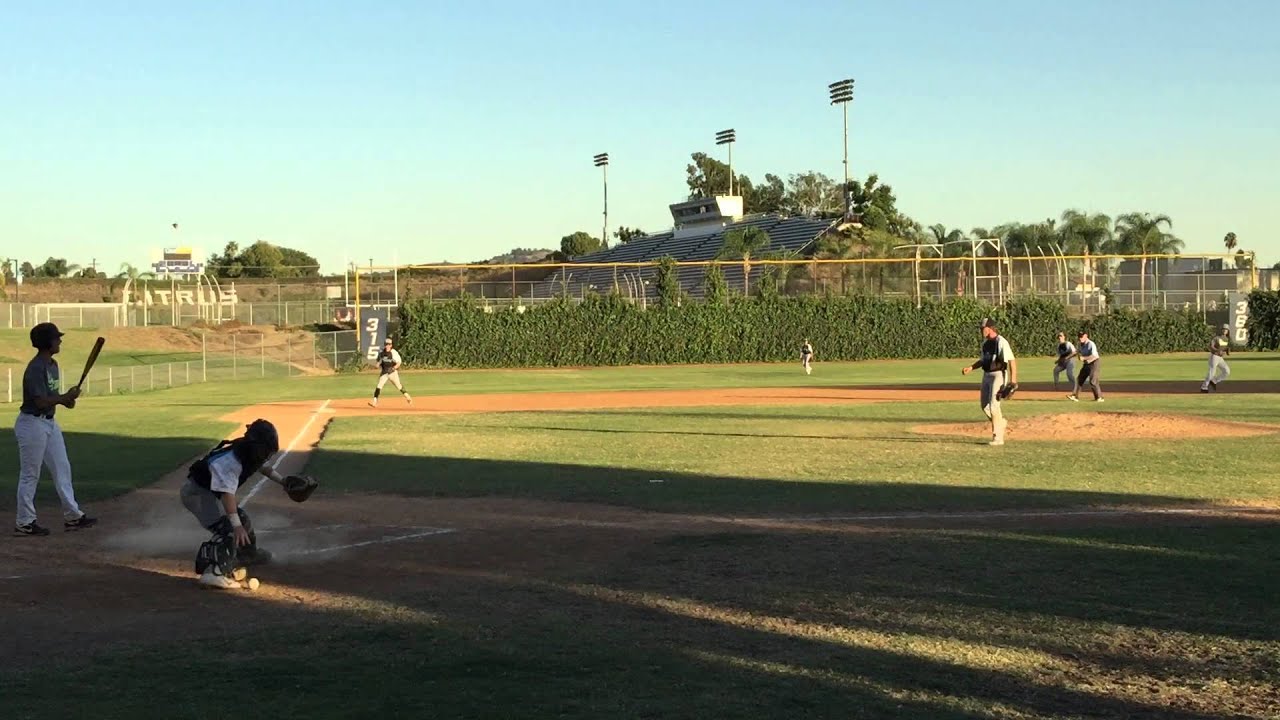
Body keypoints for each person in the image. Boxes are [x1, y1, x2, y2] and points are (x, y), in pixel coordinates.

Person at [14, 322, 97, 536]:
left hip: (49, 423)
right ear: (47, 342)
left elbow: (54, 399)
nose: (59, 341)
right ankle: (24, 522)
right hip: (32, 424)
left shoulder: (53, 365)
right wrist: (64, 397)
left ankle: (73, 516)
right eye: (56, 338)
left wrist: (68, 399)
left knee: (62, 468)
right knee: (30, 474)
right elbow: (40, 401)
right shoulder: (36, 368)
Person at [180, 418, 284, 589]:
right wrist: (236, 526)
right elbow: (227, 495)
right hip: (197, 495)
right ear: (255, 446)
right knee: (229, 526)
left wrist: (284, 482)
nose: (265, 454)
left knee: (242, 519)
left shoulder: (249, 451)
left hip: (209, 493)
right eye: (264, 449)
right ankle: (213, 573)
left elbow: (263, 467)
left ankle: (248, 555)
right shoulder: (230, 463)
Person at [961, 318, 1018, 446]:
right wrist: (971, 368)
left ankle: (998, 437)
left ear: (990, 328)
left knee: (994, 405)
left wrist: (1013, 381)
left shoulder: (1001, 342)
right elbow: (983, 361)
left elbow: (1012, 361)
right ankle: (1001, 423)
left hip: (998, 375)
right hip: (986, 375)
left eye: (983, 328)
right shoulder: (985, 343)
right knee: (985, 406)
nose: (981, 330)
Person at [370, 336, 412, 408]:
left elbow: (399, 362)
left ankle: (407, 397)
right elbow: (378, 363)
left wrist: (393, 368)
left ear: (391, 345)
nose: (387, 346)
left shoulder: (393, 353)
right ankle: (374, 401)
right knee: (379, 386)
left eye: (389, 344)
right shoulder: (381, 353)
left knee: (399, 386)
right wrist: (377, 365)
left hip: (392, 372)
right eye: (386, 344)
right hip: (384, 373)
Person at [1067, 330, 1103, 402]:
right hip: (1087, 364)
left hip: (1094, 363)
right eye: (1079, 337)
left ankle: (1099, 397)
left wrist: (1084, 358)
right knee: (1079, 379)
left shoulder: (1091, 344)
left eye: (1082, 336)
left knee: (1093, 381)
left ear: (1086, 336)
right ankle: (1075, 396)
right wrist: (1067, 357)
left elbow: (1094, 356)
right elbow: (1076, 352)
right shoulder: (1080, 344)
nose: (1080, 338)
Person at [1201, 324, 1231, 392]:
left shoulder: (1226, 339)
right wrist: (1217, 350)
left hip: (1220, 358)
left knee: (1227, 371)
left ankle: (1214, 381)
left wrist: (1226, 350)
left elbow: (1222, 348)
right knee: (1212, 373)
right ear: (1221, 330)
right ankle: (1204, 387)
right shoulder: (1216, 338)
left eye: (1226, 329)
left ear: (1228, 331)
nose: (1225, 330)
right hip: (1214, 357)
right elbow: (1211, 346)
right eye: (1223, 329)